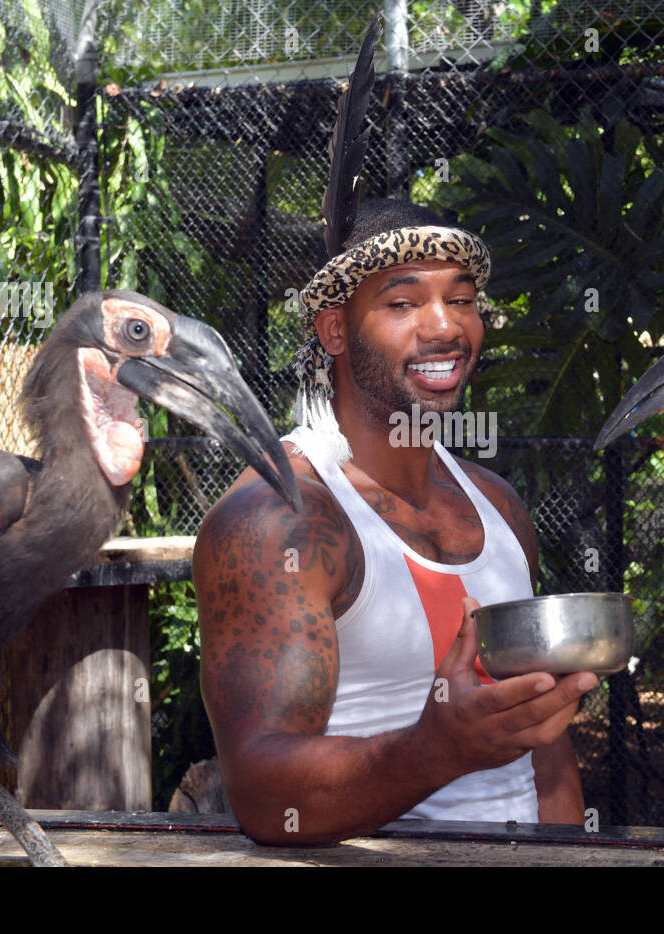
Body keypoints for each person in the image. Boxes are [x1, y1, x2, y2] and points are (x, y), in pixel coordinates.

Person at [192, 198, 598, 845]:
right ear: (334, 332)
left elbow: (543, 748)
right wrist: (436, 750)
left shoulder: (498, 507)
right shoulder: (278, 517)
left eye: (461, 300)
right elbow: (265, 797)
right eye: (403, 303)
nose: (444, 327)